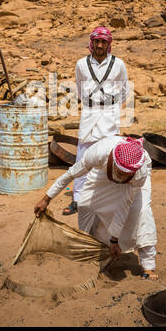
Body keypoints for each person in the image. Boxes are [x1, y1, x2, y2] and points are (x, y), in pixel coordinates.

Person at [34, 135, 158, 280]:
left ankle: (148, 266)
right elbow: (69, 175)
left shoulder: (139, 172)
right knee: (85, 205)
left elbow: (125, 205)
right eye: (120, 172)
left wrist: (114, 240)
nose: (123, 177)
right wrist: (46, 199)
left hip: (134, 177)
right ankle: (90, 252)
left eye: (126, 174)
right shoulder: (98, 154)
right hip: (103, 172)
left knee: (141, 211)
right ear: (112, 159)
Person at [62, 26, 131, 215]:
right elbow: (79, 86)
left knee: (108, 155)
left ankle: (105, 198)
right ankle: (77, 199)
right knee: (83, 155)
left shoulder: (119, 65)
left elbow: (125, 90)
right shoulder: (81, 65)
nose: (99, 45)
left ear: (109, 44)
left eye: (103, 42)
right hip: (89, 112)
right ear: (91, 43)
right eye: (96, 41)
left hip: (109, 113)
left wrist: (111, 105)